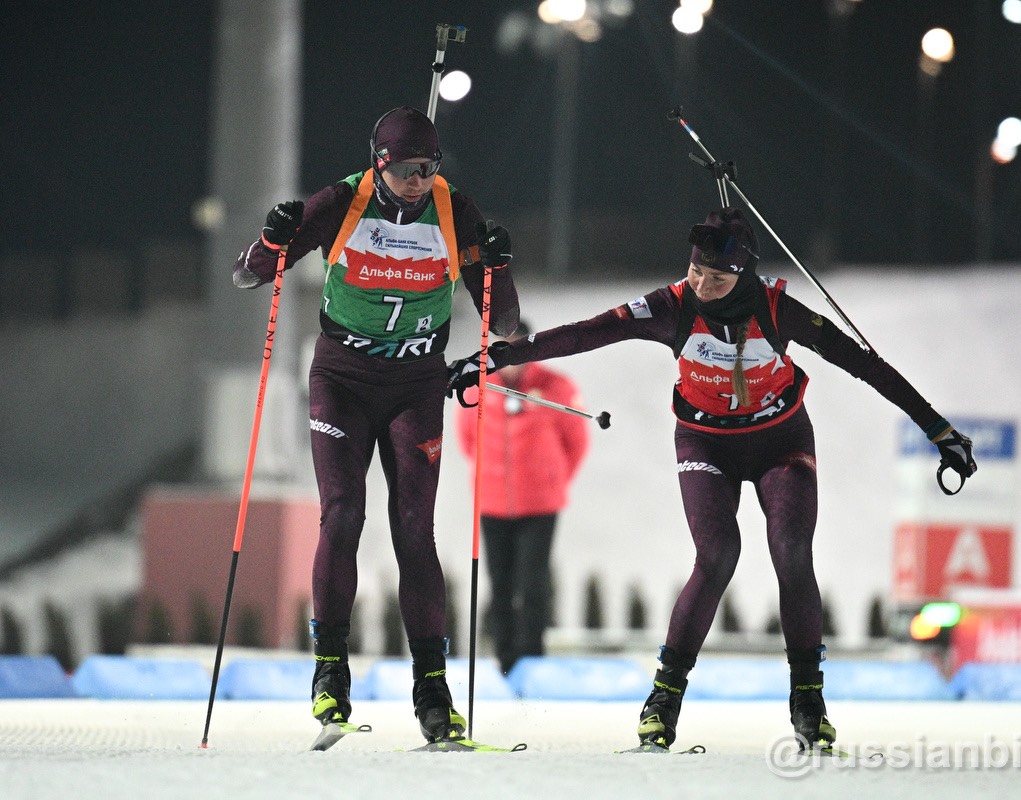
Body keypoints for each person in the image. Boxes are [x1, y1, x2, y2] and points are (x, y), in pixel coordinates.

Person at [446, 207, 976, 751]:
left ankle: (808, 701)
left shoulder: (778, 310)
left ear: (743, 274)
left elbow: (864, 363)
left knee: (791, 551)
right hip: (705, 443)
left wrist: (939, 430)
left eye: (716, 278)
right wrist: (492, 360)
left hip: (781, 442)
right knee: (718, 554)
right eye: (695, 270)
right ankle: (664, 699)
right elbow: (588, 333)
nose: (700, 284)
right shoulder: (670, 306)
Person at [232, 106, 521, 743]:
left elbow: (504, 324)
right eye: (404, 170)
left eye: (428, 168)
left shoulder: (456, 211)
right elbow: (249, 274)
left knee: (415, 530)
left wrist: (497, 266)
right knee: (342, 513)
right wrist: (273, 237)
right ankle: (330, 672)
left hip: (416, 385)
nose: (417, 182)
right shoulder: (340, 202)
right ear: (378, 163)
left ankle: (433, 693)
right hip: (341, 379)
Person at [454, 319, 590, 675]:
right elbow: (468, 440)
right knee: (500, 585)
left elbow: (576, 442)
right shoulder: (478, 388)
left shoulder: (555, 387)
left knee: (533, 584)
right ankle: (505, 660)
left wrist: (552, 479)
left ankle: (532, 659)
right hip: (492, 502)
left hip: (540, 504)